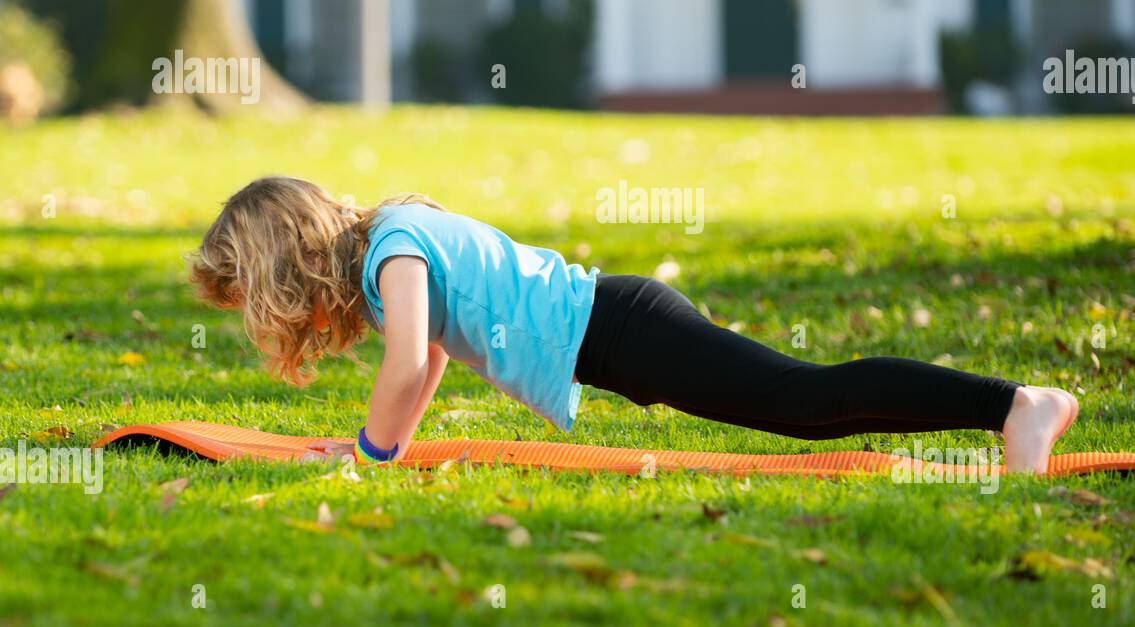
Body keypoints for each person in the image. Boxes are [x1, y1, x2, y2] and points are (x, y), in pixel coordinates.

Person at [189, 177, 1078, 473]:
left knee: (806, 399)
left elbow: (401, 365)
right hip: (619, 339)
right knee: (802, 402)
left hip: (623, 328)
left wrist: (372, 457)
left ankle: (1016, 405)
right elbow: (419, 363)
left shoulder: (394, 249)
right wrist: (380, 450)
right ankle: (1011, 406)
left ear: (290, 261)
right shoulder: (389, 260)